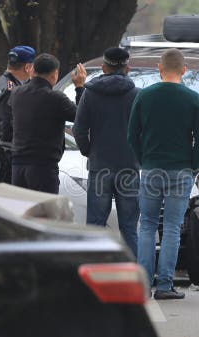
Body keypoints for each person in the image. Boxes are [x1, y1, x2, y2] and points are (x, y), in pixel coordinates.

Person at [128, 49, 199, 300]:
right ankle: (164, 286)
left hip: (151, 168)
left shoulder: (144, 96)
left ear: (159, 68)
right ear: (184, 70)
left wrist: (144, 160)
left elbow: (132, 135)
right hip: (180, 169)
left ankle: (142, 284)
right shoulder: (193, 98)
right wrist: (192, 165)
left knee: (148, 226)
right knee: (172, 226)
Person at [73, 47, 140, 255]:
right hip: (129, 166)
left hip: (100, 165)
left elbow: (79, 130)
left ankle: (94, 274)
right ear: (127, 69)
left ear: (103, 68)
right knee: (129, 227)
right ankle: (132, 277)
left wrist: (88, 151)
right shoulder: (137, 95)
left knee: (95, 226)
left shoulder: (91, 94)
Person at [10, 53, 85, 194]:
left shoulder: (16, 93)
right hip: (42, 167)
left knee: (19, 213)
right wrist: (79, 87)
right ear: (55, 74)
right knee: (45, 214)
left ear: (32, 70)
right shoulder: (56, 98)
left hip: (17, 167)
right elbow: (81, 116)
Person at [0, 46, 35, 183]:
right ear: (27, 68)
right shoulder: (10, 90)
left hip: (1, 154)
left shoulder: (4, 81)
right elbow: (7, 127)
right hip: (6, 158)